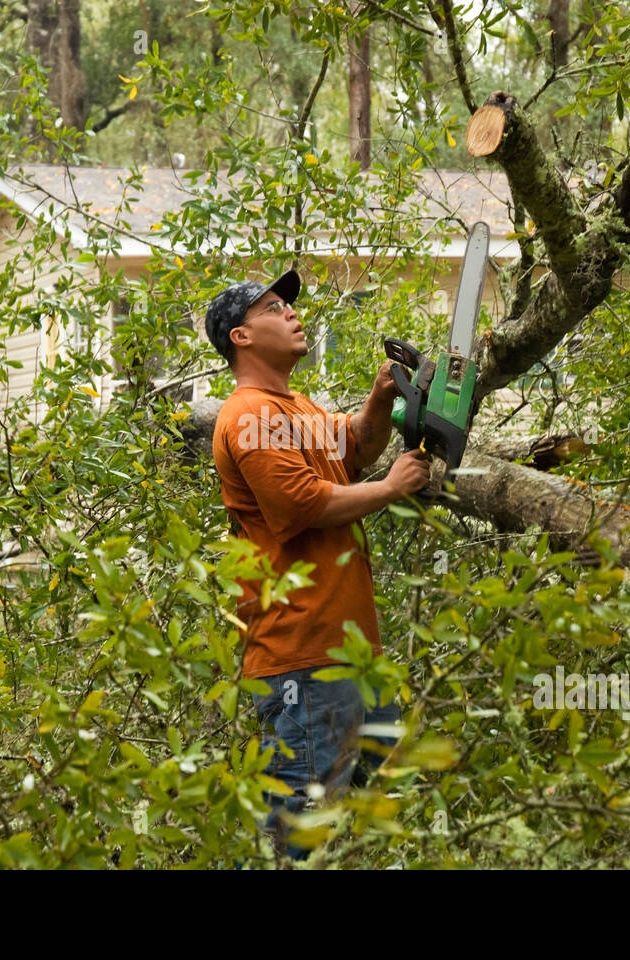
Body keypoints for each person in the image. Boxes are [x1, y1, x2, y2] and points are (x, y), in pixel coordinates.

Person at [205, 268, 432, 861]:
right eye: (274, 308)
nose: (292, 313)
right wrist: (390, 489)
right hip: (303, 663)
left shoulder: (295, 407)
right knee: (302, 842)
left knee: (380, 824)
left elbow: (354, 446)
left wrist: (381, 395)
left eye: (289, 305)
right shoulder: (247, 415)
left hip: (352, 654)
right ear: (241, 338)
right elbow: (299, 504)